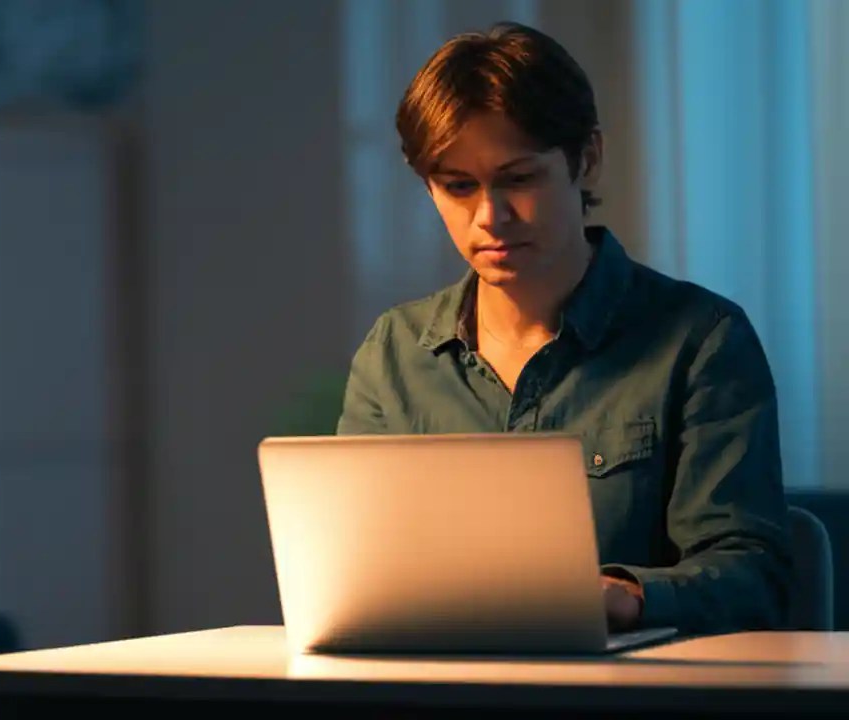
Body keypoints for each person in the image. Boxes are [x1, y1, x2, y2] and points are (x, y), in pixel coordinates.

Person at [337, 21, 791, 635]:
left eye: (519, 178)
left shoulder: (700, 340)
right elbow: (357, 567)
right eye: (458, 186)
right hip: (442, 673)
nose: (489, 216)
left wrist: (627, 596)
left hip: (630, 678)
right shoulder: (395, 351)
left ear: (587, 159)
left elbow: (752, 574)